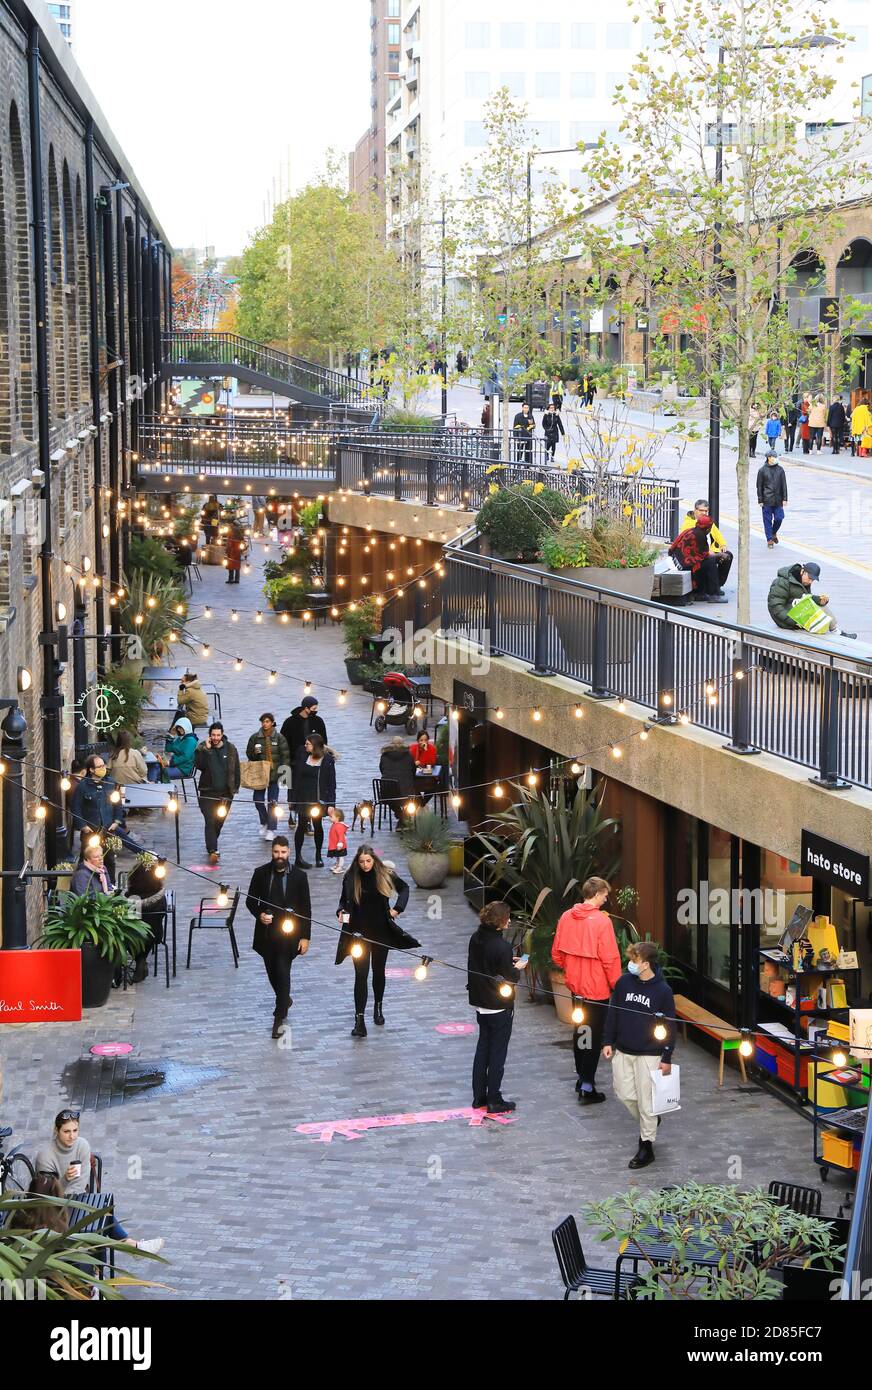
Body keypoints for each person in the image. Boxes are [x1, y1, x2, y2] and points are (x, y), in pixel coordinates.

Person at [35, 1111, 163, 1252]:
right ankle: (132, 1247)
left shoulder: (82, 1145)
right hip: (53, 1209)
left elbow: (81, 1184)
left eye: (75, 1130)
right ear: (56, 1130)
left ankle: (129, 1249)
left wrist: (73, 1196)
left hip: (78, 1198)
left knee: (100, 1213)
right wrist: (65, 1180)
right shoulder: (46, 1155)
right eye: (66, 1131)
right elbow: (48, 1195)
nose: (72, 1136)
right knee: (99, 1214)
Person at [602, 941, 676, 1170]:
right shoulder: (624, 983)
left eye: (634, 960)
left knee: (647, 1102)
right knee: (623, 1093)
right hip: (624, 1049)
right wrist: (607, 1041)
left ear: (645, 964)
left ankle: (646, 1145)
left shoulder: (663, 991)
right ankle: (651, 1121)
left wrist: (666, 1057)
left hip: (650, 1053)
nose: (630, 964)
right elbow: (613, 1012)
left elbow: (670, 1026)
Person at [551, 878, 622, 1105]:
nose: (605, 899)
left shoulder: (566, 917)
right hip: (597, 989)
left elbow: (557, 954)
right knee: (593, 1037)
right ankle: (587, 1086)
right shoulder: (602, 922)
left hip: (575, 986)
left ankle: (581, 1077)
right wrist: (616, 986)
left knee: (581, 1032)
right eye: (604, 895)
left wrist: (572, 969)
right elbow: (610, 959)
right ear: (598, 893)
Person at [336, 846, 414, 1037]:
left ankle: (378, 1007)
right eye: (362, 862)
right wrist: (340, 912)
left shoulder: (384, 874)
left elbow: (404, 889)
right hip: (358, 933)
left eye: (368, 861)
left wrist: (397, 909)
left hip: (380, 932)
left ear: (374, 860)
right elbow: (343, 901)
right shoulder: (351, 876)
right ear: (357, 861)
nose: (365, 865)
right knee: (361, 975)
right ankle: (359, 1020)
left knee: (378, 971)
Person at [246, 836, 312, 1038]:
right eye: (276, 852)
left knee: (283, 972)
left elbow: (306, 908)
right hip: (267, 935)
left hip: (289, 936)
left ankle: (279, 1015)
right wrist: (260, 915)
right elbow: (250, 901)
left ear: (289, 852)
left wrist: (305, 937)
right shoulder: (261, 874)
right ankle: (284, 999)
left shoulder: (299, 877)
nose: (279, 856)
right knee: (272, 972)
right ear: (272, 852)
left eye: (283, 852)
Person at [467, 901, 524, 1116]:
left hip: (480, 1003)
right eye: (507, 917)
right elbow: (510, 976)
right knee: (497, 1053)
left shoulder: (476, 938)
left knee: (483, 1050)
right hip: (499, 1006)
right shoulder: (501, 946)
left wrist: (508, 962)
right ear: (501, 921)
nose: (509, 920)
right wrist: (516, 967)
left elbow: (486, 964)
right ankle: (494, 1099)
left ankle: (478, 1096)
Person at [69, 755, 146, 855]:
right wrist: (82, 826)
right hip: (91, 831)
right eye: (99, 766)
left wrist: (116, 822)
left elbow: (117, 805)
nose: (103, 768)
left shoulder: (110, 783)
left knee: (109, 859)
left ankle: (144, 854)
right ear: (91, 769)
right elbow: (76, 807)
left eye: (104, 765)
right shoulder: (83, 786)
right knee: (87, 858)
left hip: (108, 830)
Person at [767, 561, 855, 638]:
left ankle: (835, 630)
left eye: (812, 580)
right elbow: (775, 607)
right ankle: (835, 631)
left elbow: (806, 597)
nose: (810, 582)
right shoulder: (782, 582)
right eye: (809, 578)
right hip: (785, 621)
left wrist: (819, 600)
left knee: (821, 605)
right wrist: (793, 621)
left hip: (797, 613)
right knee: (818, 611)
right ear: (802, 571)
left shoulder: (803, 581)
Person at [194, 722, 241, 866]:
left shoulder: (231, 748)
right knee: (210, 820)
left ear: (222, 734)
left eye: (218, 735)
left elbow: (236, 769)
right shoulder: (202, 747)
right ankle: (213, 850)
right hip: (207, 792)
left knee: (219, 822)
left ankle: (212, 843)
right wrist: (207, 751)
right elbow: (198, 765)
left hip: (225, 794)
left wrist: (235, 788)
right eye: (213, 735)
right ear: (209, 735)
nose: (215, 738)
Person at [291, 733, 337, 870]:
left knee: (318, 826)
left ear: (315, 745)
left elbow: (331, 783)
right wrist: (292, 798)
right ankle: (298, 857)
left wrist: (331, 804)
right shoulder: (303, 756)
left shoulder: (327, 760)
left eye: (308, 744)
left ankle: (318, 855)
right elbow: (295, 778)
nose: (305, 746)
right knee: (301, 826)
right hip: (303, 798)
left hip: (318, 799)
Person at [247, 713, 290, 842]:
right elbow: (250, 755)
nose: (265, 724)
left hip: (274, 775)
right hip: (260, 774)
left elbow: (285, 756)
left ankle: (271, 829)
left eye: (267, 721)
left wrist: (284, 775)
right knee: (258, 800)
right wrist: (254, 753)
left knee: (273, 802)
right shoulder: (255, 738)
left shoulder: (279, 738)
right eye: (263, 722)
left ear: (272, 722)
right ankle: (265, 821)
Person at [126, 854, 167, 982]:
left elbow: (129, 918)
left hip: (134, 935)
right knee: (147, 934)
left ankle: (140, 960)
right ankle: (142, 960)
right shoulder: (160, 898)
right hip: (155, 935)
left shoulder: (131, 898)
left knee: (133, 933)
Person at [668, 514, 727, 603]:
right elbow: (704, 556)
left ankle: (715, 587)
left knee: (722, 557)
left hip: (680, 562)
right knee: (710, 562)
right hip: (683, 566)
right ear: (708, 529)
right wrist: (719, 555)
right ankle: (713, 594)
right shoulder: (700, 535)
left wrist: (718, 555)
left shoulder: (692, 530)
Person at [677, 500, 732, 591]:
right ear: (695, 510)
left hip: (708, 551)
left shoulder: (706, 521)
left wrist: (722, 544)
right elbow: (695, 546)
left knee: (728, 556)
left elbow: (716, 532)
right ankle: (712, 590)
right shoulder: (688, 524)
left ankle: (718, 584)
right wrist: (712, 554)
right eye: (701, 510)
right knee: (712, 560)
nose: (704, 513)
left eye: (706, 511)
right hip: (696, 555)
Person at [379, 736, 417, 823]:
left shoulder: (384, 756)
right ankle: (403, 816)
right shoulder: (408, 756)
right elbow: (413, 771)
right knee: (413, 794)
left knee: (391, 799)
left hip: (386, 792)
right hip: (405, 792)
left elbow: (382, 770)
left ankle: (399, 814)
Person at [148, 717, 198, 783]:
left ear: (186, 727)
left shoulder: (191, 740)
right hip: (176, 765)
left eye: (181, 728)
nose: (180, 730)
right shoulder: (180, 738)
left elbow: (185, 757)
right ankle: (152, 785)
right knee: (154, 766)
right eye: (178, 728)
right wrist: (171, 736)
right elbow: (168, 749)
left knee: (158, 772)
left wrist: (170, 763)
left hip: (183, 769)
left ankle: (152, 786)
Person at [756, 453, 788, 548]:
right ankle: (769, 539)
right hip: (767, 500)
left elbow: (784, 485)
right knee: (767, 521)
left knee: (779, 518)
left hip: (778, 500)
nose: (776, 459)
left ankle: (774, 532)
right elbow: (759, 486)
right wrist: (760, 499)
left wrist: (785, 498)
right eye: (774, 457)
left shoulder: (780, 470)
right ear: (769, 458)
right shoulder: (762, 470)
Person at [327, 807, 349, 875]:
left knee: (340, 856)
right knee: (337, 856)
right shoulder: (335, 824)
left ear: (337, 818)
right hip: (335, 845)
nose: (330, 818)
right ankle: (337, 864)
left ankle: (340, 866)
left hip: (340, 846)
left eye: (332, 817)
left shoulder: (339, 826)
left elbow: (341, 836)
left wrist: (340, 844)